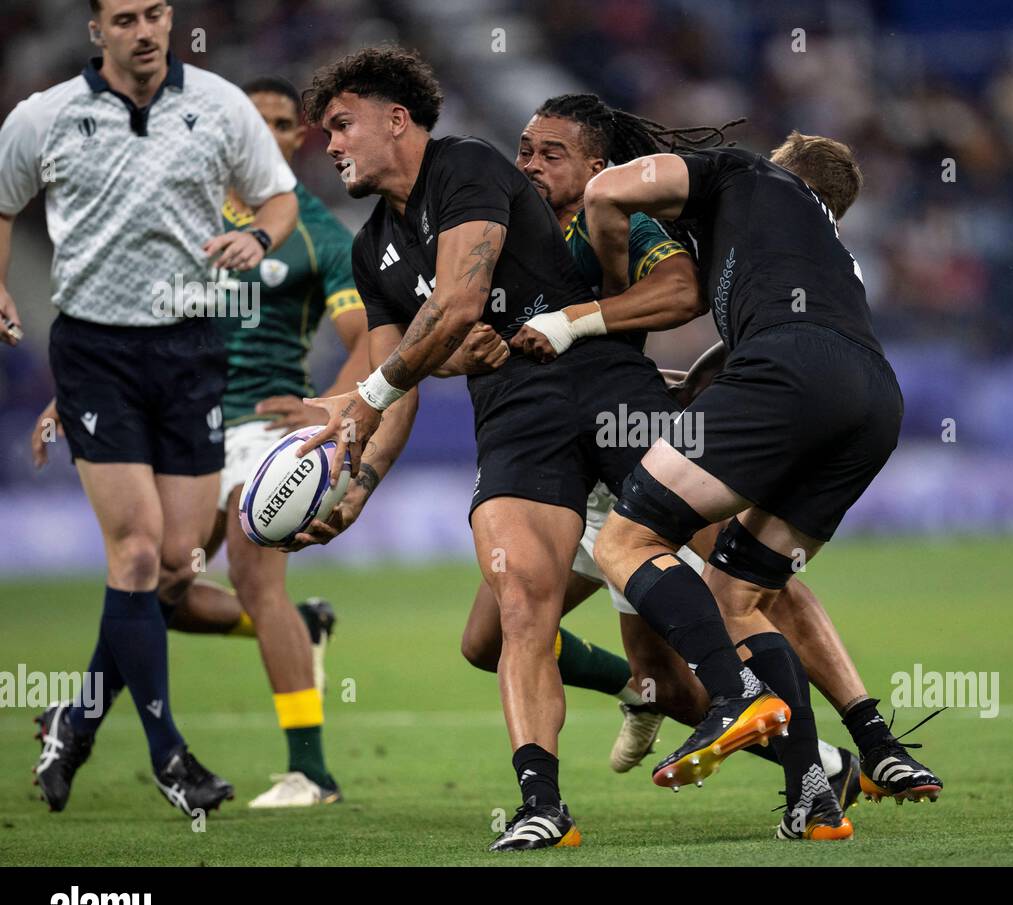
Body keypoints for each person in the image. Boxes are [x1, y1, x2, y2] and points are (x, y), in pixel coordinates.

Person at [292, 46, 787, 851]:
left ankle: (840, 746)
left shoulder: (474, 171)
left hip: (603, 393)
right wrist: (360, 484)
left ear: (396, 119)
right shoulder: (371, 248)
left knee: (742, 577)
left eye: (342, 126)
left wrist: (369, 395)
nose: (332, 145)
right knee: (514, 614)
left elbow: (453, 308)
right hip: (516, 417)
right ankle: (544, 804)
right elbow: (423, 364)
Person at [571, 132, 943, 836]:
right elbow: (774, 339)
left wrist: (610, 301)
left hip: (786, 378)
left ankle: (735, 694)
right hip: (871, 401)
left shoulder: (747, 174)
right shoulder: (834, 252)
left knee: (627, 538)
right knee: (740, 592)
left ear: (784, 168)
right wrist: (714, 385)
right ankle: (815, 794)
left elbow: (603, 191)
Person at [0, 0, 297, 816]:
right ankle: (171, 756)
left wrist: (261, 240)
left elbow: (279, 199)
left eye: (157, 12)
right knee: (132, 555)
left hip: (193, 350)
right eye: (125, 16)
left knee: (171, 567)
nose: (144, 29)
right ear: (97, 29)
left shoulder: (220, 106)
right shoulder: (46, 116)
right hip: (97, 351)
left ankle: (76, 716)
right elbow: (1, 199)